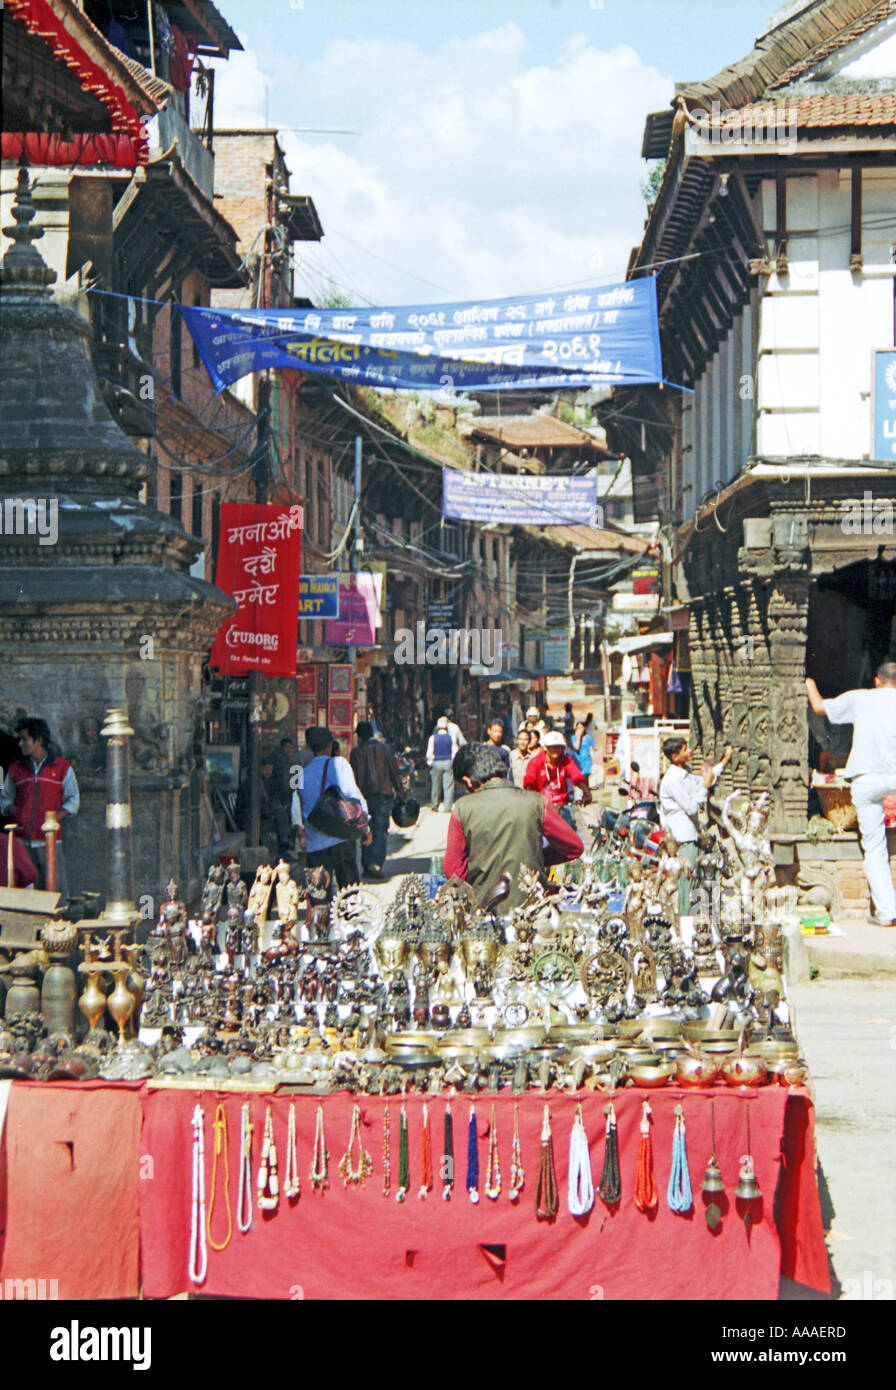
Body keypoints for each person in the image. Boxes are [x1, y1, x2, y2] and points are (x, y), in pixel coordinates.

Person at [806, 663, 896, 926]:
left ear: (877, 680)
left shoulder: (862, 698)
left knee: (875, 848)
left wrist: (809, 682)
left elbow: (820, 708)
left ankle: (888, 912)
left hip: (867, 779)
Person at [443, 744, 583, 909]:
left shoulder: (461, 808)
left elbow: (453, 870)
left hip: (485, 911)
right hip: (534, 910)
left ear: (468, 782)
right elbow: (574, 847)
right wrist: (537, 857)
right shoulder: (537, 802)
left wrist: (480, 866)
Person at [0, 717, 79, 898]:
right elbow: (4, 798)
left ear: (39, 741)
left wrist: (54, 819)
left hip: (50, 840)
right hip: (21, 842)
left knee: (56, 888)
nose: (20, 743)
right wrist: (13, 811)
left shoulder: (62, 767)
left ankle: (59, 925)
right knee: (25, 890)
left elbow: (73, 799)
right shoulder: (15, 769)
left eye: (24, 739)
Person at [658, 736, 733, 912]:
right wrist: (706, 787)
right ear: (675, 756)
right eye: (685, 749)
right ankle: (684, 926)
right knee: (685, 886)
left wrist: (725, 760)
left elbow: (704, 781)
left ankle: (692, 923)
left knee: (693, 884)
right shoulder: (672, 779)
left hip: (691, 837)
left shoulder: (684, 774)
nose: (689, 751)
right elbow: (691, 807)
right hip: (682, 840)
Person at [295, 727, 371, 891]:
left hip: (315, 838)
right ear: (330, 745)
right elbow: (353, 794)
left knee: (319, 891)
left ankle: (320, 916)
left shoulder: (300, 773)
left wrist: (299, 830)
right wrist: (365, 826)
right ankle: (349, 916)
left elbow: (295, 803)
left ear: (309, 747)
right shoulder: (340, 763)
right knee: (349, 892)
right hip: (343, 835)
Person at [350, 721, 405, 879]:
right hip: (382, 794)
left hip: (363, 796)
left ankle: (368, 864)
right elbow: (394, 772)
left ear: (359, 736)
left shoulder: (356, 753)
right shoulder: (385, 749)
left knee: (365, 828)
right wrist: (400, 792)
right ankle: (375, 863)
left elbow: (353, 778)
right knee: (380, 829)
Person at [524, 729, 591, 829]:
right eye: (552, 747)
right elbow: (529, 781)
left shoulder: (566, 760)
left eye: (559, 747)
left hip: (561, 806)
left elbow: (577, 777)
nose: (556, 750)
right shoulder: (536, 762)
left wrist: (588, 794)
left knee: (570, 836)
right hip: (541, 807)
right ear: (546, 748)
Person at [426, 716, 462, 811]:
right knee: (448, 785)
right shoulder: (451, 738)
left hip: (436, 762)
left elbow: (429, 753)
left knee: (435, 784)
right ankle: (448, 807)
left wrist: (431, 762)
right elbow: (454, 752)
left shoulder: (433, 738)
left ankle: (434, 805)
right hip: (448, 762)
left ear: (437, 727)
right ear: (446, 727)